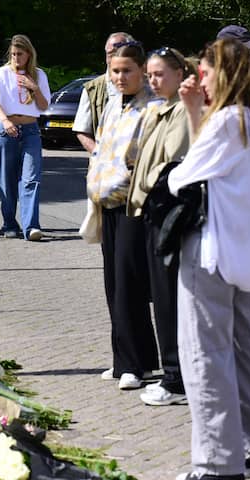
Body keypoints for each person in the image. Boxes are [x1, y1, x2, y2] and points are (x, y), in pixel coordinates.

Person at [170, 38, 250, 480]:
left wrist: (192, 117)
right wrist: (193, 110)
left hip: (212, 250)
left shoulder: (227, 121)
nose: (198, 79)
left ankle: (217, 463)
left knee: (206, 355)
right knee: (245, 350)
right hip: (245, 251)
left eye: (203, 72)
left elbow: (184, 175)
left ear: (221, 73)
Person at [87, 41, 159, 389]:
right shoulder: (114, 104)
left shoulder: (153, 107)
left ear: (142, 70)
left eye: (127, 70)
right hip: (108, 202)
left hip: (135, 203)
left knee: (130, 282)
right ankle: (130, 360)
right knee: (113, 282)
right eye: (115, 70)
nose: (119, 77)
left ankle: (134, 364)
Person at [127, 46, 195, 406]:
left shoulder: (183, 111)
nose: (153, 80)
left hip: (167, 212)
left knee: (170, 299)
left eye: (160, 74)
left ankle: (176, 377)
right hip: (151, 211)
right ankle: (175, 373)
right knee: (162, 296)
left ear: (179, 73)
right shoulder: (161, 109)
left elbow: (173, 165)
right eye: (150, 74)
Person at [0, 34, 50, 241]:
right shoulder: (3, 74)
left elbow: (43, 105)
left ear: (29, 54)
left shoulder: (39, 75)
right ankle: (9, 223)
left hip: (30, 131)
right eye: (13, 54)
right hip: (8, 130)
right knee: (8, 180)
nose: (15, 58)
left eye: (19, 54)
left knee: (31, 179)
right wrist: (5, 120)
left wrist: (34, 87)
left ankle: (31, 226)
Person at [73, 32, 134, 153]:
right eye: (110, 54)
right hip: (104, 165)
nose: (115, 58)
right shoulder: (92, 89)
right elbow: (82, 131)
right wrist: (101, 156)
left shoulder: (148, 85)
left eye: (119, 52)